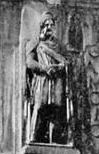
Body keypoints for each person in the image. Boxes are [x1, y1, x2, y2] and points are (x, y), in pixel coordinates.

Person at [24, 12, 71, 144]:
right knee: (40, 107)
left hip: (57, 80)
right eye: (46, 24)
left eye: (51, 24)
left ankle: (55, 139)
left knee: (56, 109)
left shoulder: (59, 46)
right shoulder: (35, 43)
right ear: (41, 27)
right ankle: (34, 137)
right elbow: (30, 62)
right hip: (42, 79)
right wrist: (44, 68)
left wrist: (60, 67)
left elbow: (66, 61)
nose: (49, 27)